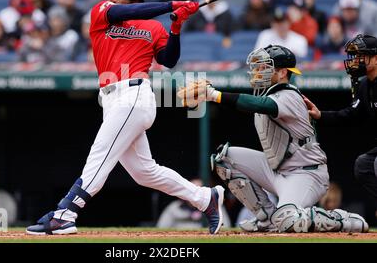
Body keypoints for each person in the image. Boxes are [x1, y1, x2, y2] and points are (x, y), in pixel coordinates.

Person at [26, 0, 225, 235]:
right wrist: (171, 5)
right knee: (145, 172)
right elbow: (127, 13)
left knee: (100, 155)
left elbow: (168, 59)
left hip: (133, 95)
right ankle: (205, 198)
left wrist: (176, 26)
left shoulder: (154, 27)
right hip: (112, 99)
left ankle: (66, 213)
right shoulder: (102, 13)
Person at [178, 44, 369, 233]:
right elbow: (256, 103)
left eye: (265, 67)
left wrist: (214, 95)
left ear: (283, 72)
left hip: (306, 173)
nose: (259, 71)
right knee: (224, 159)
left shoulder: (289, 94)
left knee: (288, 220)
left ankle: (344, 220)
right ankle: (266, 218)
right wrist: (212, 96)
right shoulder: (268, 93)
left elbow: (262, 105)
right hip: (277, 170)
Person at [304, 34, 377, 205]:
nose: (356, 61)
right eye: (356, 56)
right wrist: (320, 114)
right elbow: (350, 114)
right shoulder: (366, 85)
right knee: (363, 165)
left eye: (362, 56)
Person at [157, 178, 231, 229]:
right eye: (193, 191)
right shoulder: (175, 206)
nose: (196, 195)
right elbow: (161, 227)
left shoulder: (215, 205)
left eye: (199, 191)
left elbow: (225, 227)